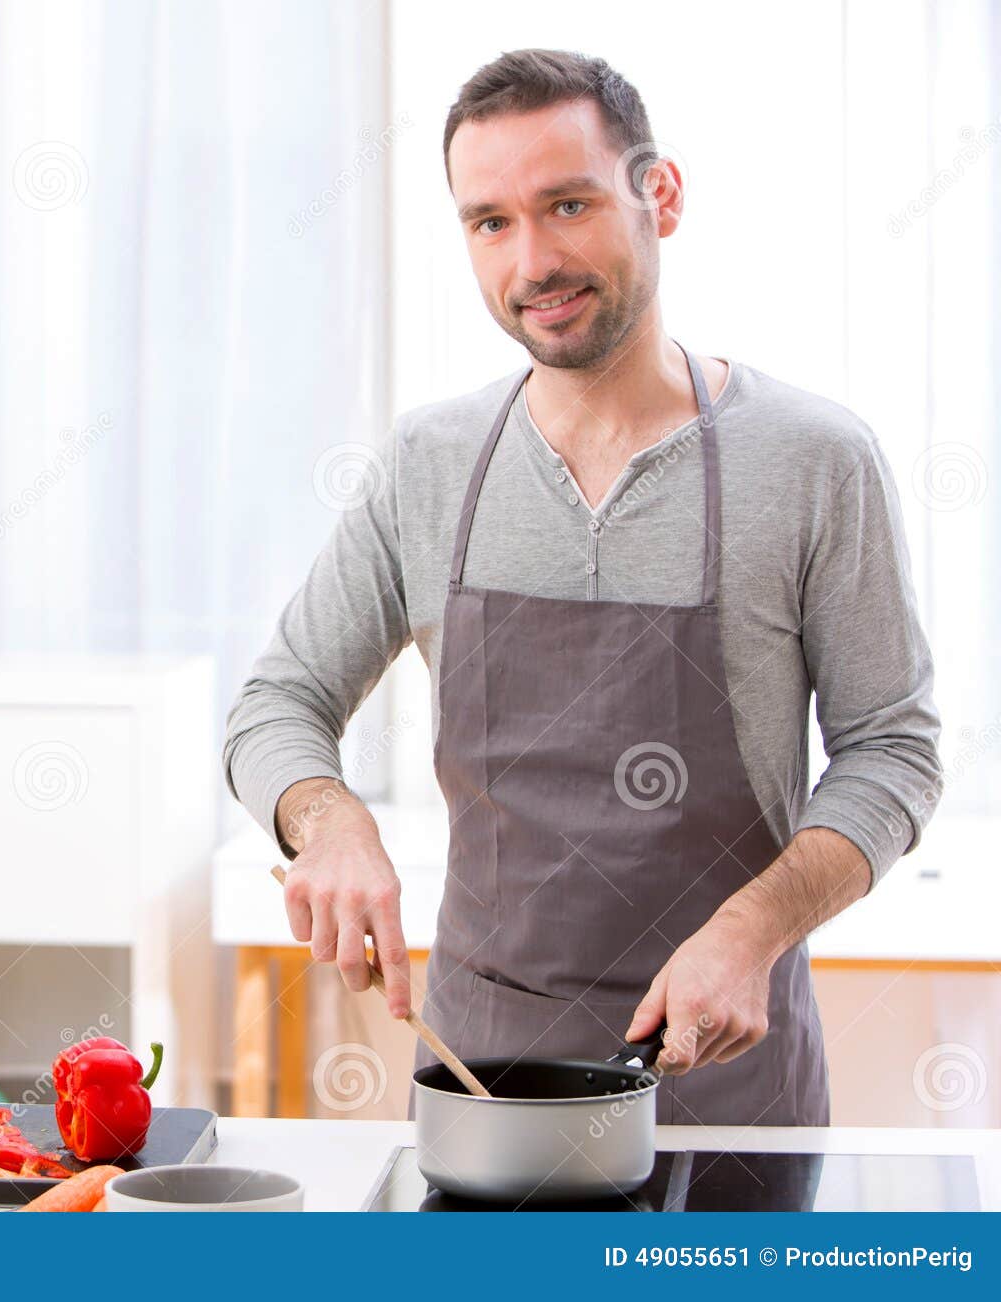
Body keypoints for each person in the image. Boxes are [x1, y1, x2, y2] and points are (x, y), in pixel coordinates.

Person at [221, 49, 941, 1125]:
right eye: (490, 222)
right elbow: (275, 705)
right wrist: (325, 822)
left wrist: (750, 933)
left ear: (661, 196)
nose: (534, 261)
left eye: (567, 204)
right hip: (484, 1088)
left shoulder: (810, 460)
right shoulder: (430, 464)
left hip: (728, 1086)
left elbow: (894, 750)